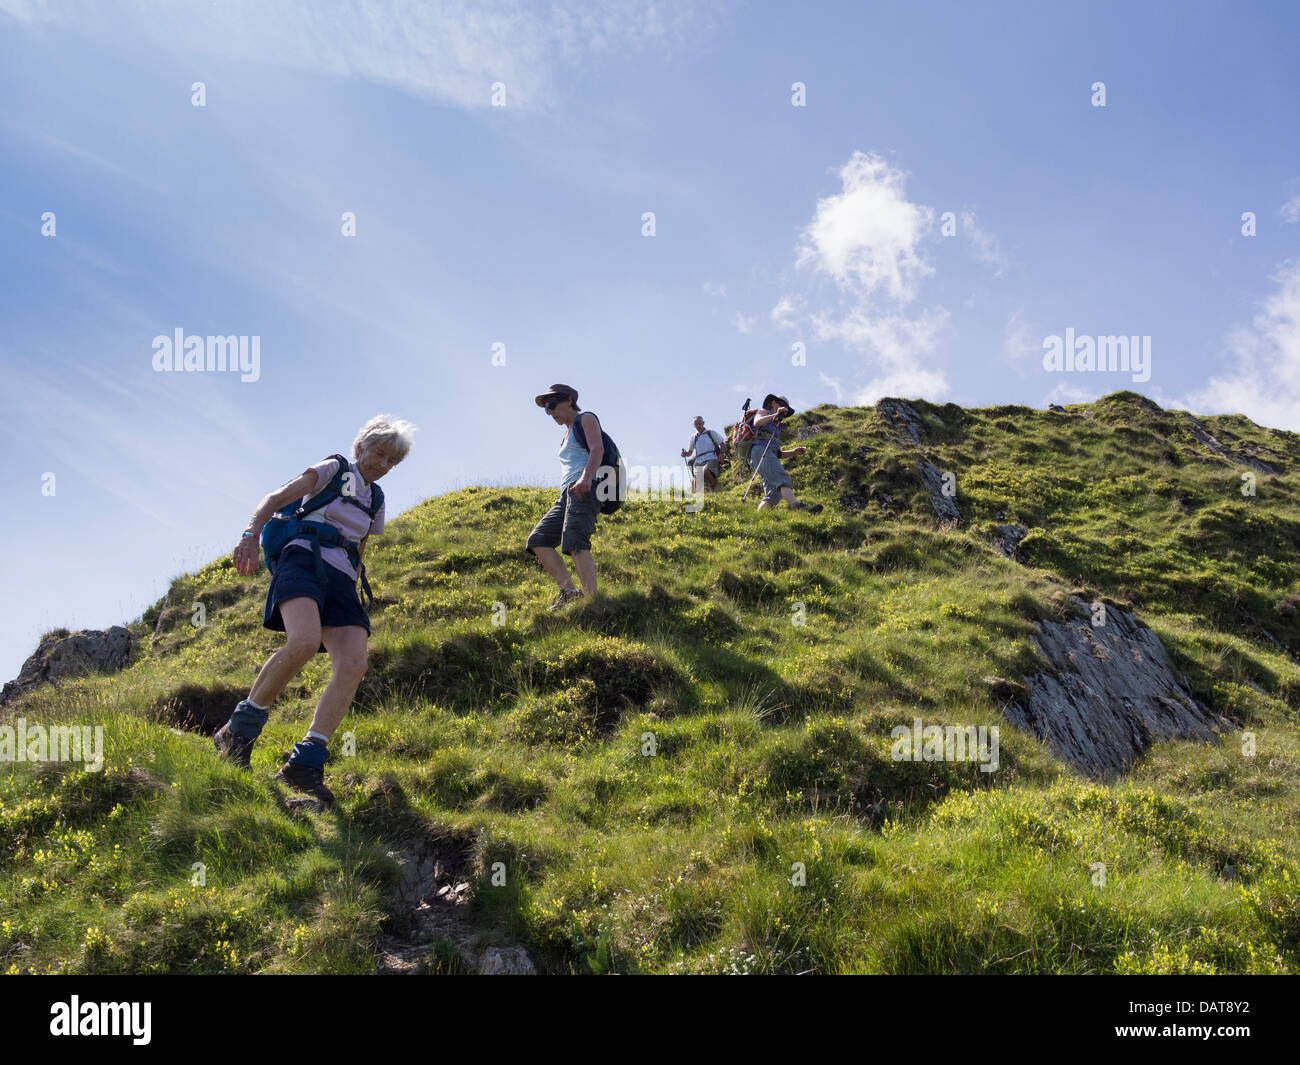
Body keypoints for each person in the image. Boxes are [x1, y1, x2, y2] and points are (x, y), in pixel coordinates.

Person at [213, 414, 417, 806]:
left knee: (354, 663)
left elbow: (358, 548)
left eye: (392, 462)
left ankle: (304, 765)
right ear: (361, 448)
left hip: (342, 581)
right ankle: (237, 732)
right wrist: (249, 535)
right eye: (379, 454)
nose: (383, 465)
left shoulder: (376, 499)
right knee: (304, 641)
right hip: (303, 560)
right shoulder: (334, 468)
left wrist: (354, 588)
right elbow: (275, 500)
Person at [526, 383, 608, 610]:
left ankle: (593, 601)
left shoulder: (586, 419)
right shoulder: (565, 434)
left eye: (551, 405)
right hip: (567, 492)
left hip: (586, 485)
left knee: (575, 541)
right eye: (546, 409)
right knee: (538, 540)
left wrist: (586, 478)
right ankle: (569, 592)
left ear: (569, 400)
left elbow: (597, 449)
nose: (550, 412)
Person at [747, 393, 823, 513]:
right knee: (782, 479)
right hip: (760, 451)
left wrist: (793, 452)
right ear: (773, 403)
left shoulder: (777, 425)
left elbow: (777, 454)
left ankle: (758, 516)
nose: (784, 408)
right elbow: (757, 422)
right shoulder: (765, 412)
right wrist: (774, 414)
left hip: (765, 454)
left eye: (785, 407)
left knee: (774, 494)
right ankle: (800, 510)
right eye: (781, 404)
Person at [681, 415, 725, 493]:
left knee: (705, 470)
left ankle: (713, 488)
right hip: (699, 460)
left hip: (712, 457)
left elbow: (722, 444)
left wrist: (721, 454)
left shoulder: (711, 433)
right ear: (694, 425)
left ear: (703, 423)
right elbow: (689, 452)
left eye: (699, 423)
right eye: (696, 424)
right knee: (696, 475)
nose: (698, 426)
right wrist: (684, 454)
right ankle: (695, 495)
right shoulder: (693, 437)